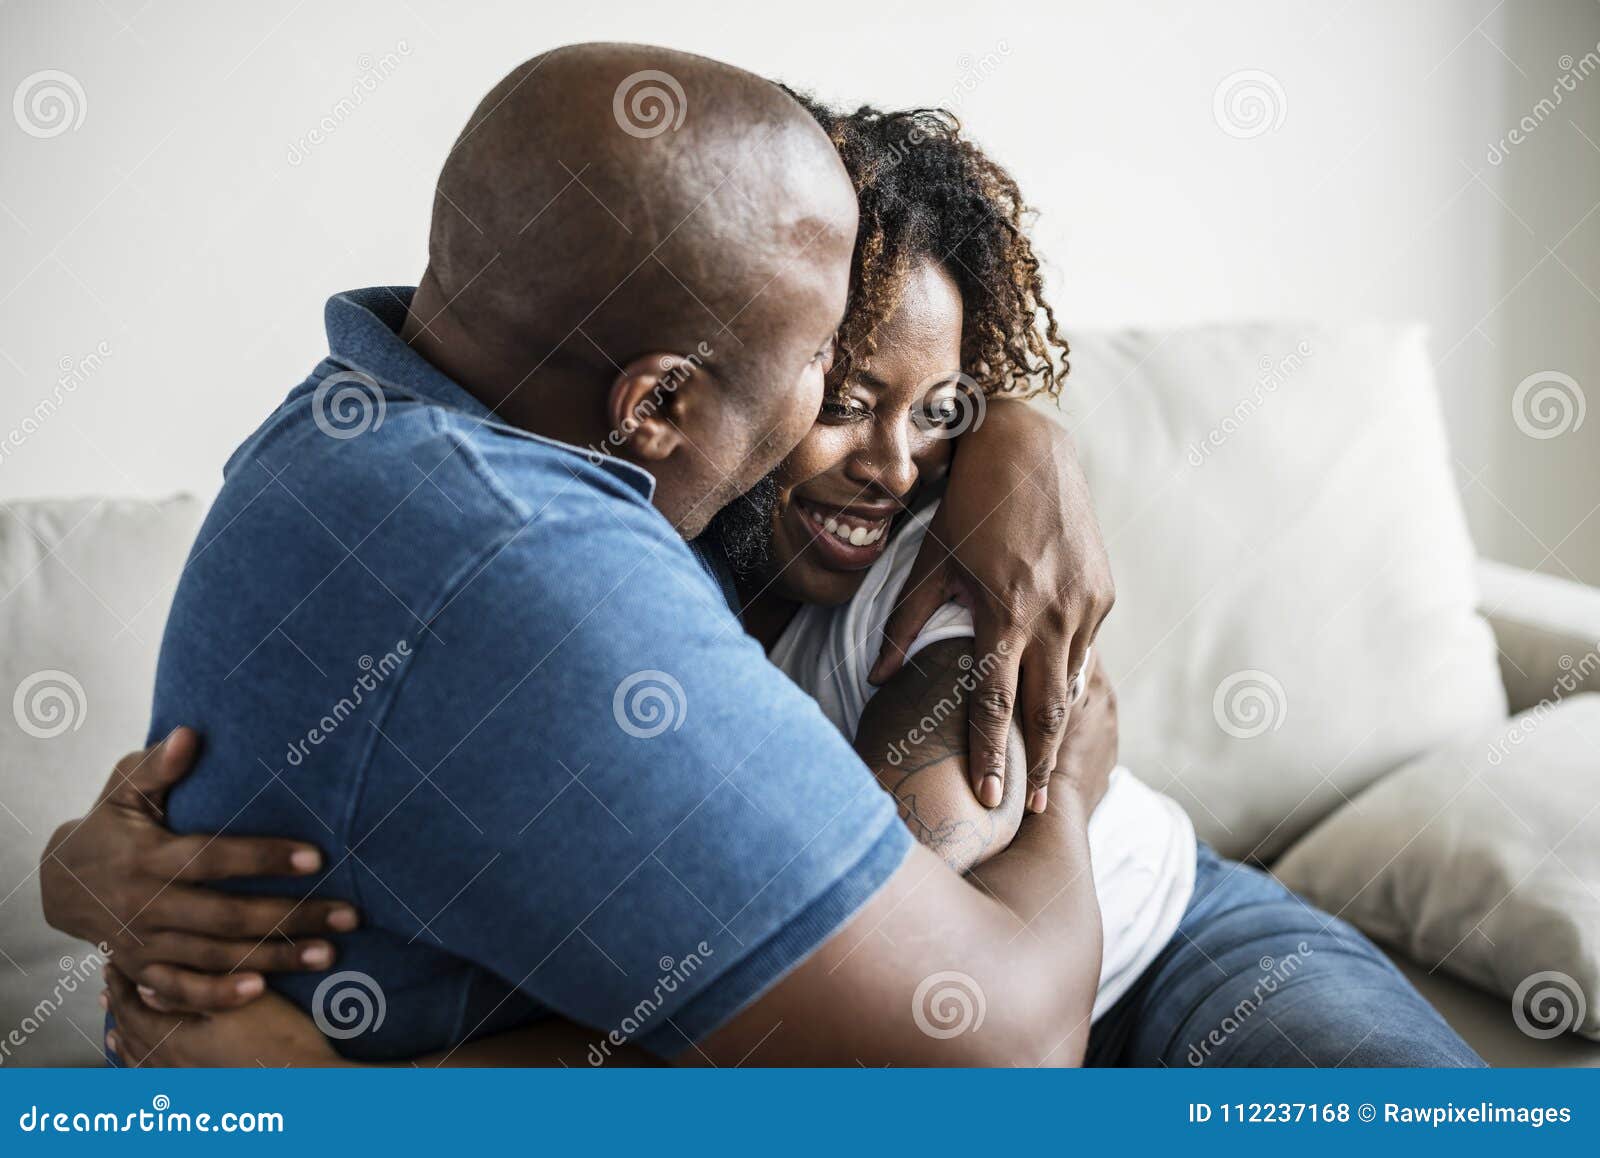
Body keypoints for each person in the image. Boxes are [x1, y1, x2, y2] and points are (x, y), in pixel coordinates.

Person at [50, 95, 1481, 1068]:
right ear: (684, 382)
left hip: (1166, 939)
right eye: (840, 389)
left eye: (945, 413)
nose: (895, 461)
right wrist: (82, 873)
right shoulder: (604, 548)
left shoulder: (947, 579)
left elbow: (861, 901)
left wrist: (1072, 782)